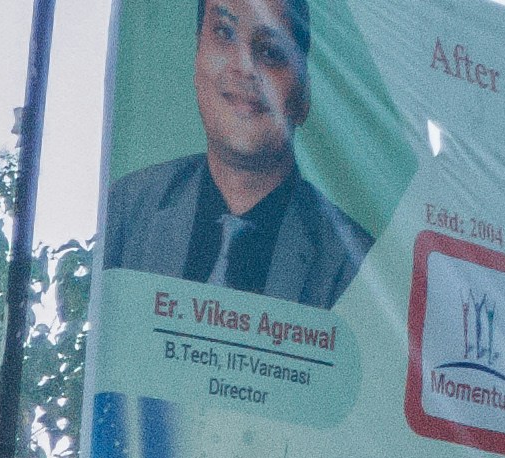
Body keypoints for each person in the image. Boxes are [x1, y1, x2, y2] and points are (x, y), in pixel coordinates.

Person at [97, 0, 372, 309]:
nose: (244, 66)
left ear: (304, 95)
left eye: (270, 50)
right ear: (196, 58)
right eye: (224, 33)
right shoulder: (127, 209)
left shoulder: (356, 264)